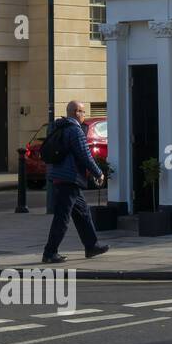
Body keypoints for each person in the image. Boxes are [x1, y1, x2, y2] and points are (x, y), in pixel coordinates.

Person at [42, 100, 110, 264]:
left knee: (82, 213)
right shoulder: (75, 130)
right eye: (82, 112)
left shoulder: (58, 126)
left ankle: (91, 246)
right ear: (75, 112)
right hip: (69, 178)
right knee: (62, 217)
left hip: (60, 176)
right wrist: (98, 172)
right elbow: (84, 154)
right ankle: (50, 252)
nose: (84, 115)